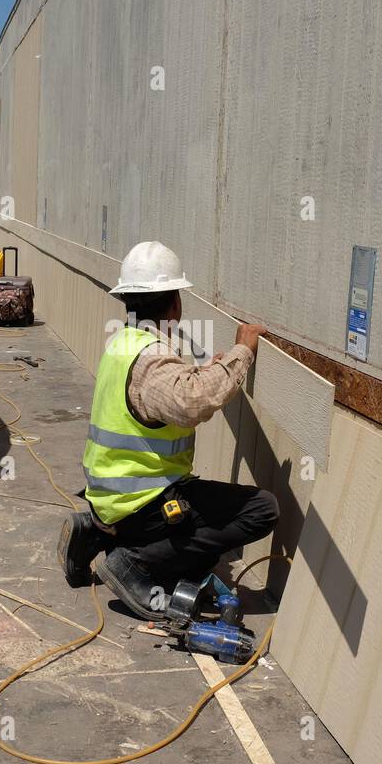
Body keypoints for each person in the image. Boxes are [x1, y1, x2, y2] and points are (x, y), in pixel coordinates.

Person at [57, 240, 278, 619]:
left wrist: (214, 370)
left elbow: (169, 386)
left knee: (200, 538)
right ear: (175, 303)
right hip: (143, 503)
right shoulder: (152, 357)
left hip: (110, 498)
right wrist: (243, 351)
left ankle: (98, 531)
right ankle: (135, 564)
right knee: (262, 509)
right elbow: (190, 402)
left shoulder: (124, 343)